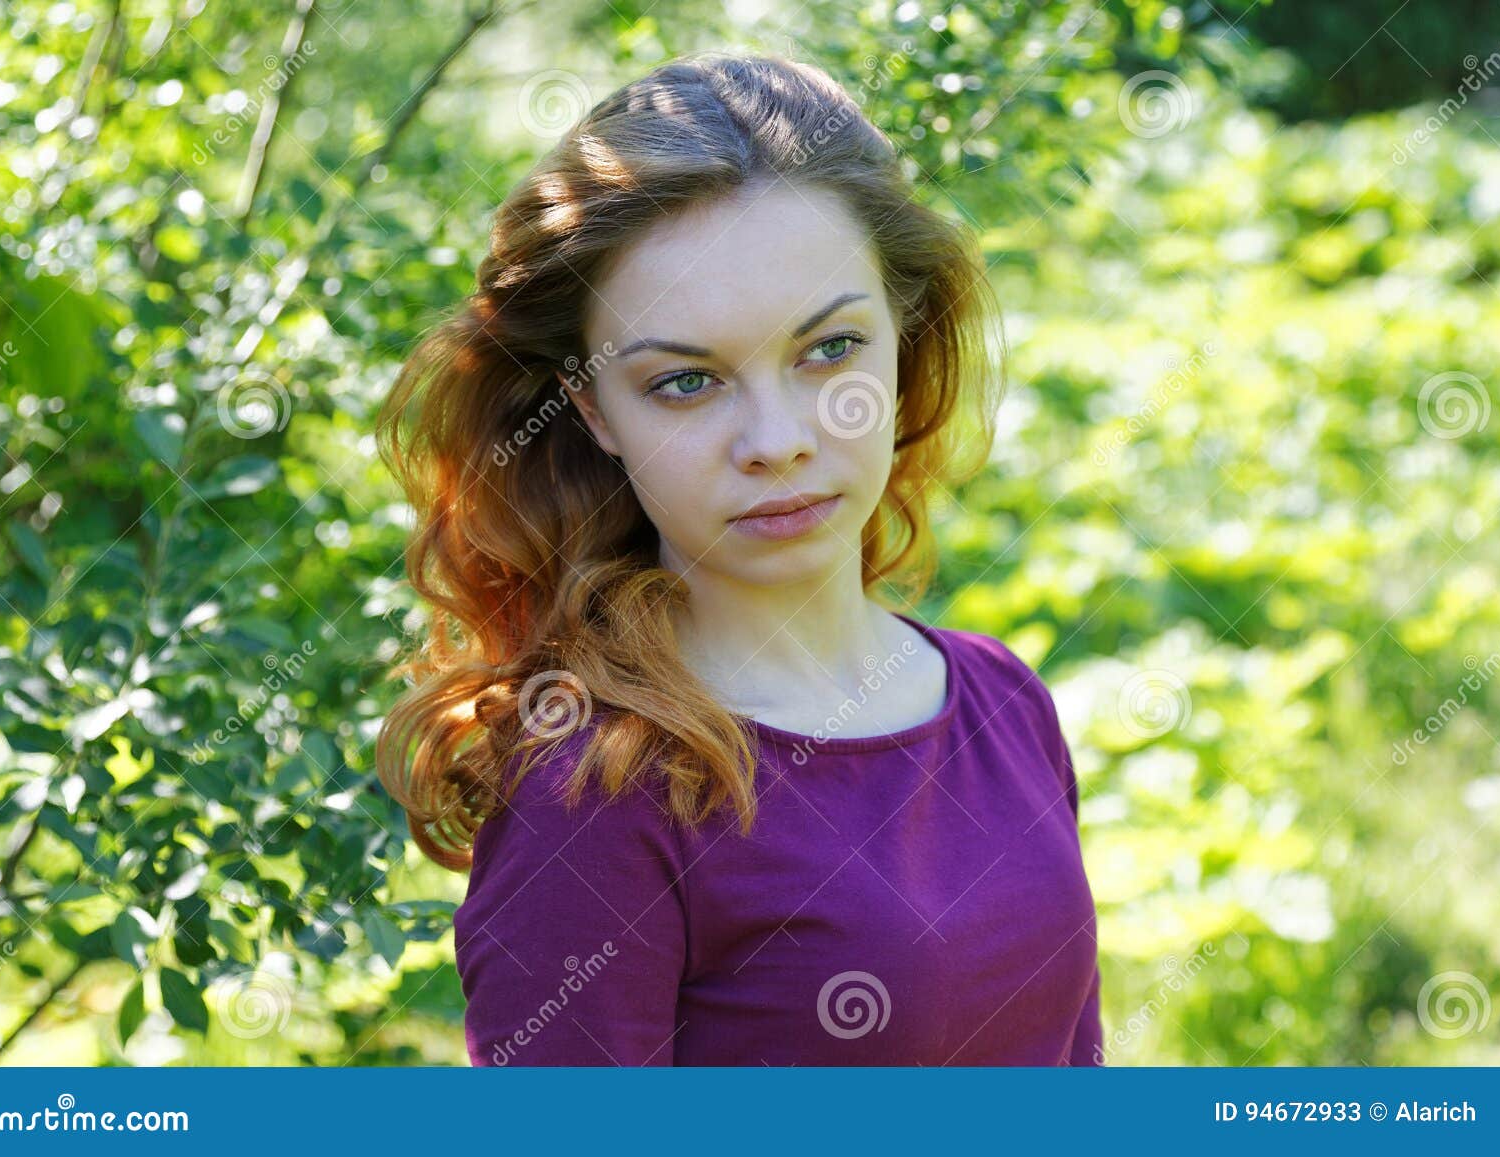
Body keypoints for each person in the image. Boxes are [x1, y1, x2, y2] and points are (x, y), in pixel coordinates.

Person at [375, 51, 1102, 1066]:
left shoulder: (1001, 700)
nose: (776, 438)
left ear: (903, 333)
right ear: (592, 408)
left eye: (828, 350)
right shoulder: (594, 790)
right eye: (685, 382)